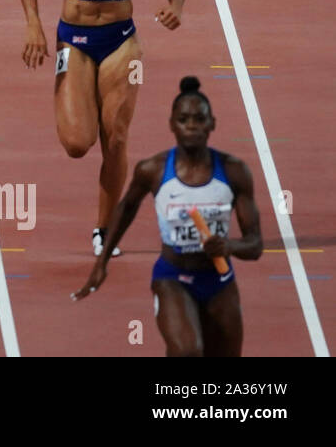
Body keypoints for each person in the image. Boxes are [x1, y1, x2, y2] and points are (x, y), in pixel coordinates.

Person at [19, 0, 185, 255]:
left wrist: (175, 6)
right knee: (78, 143)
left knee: (117, 137)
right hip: (72, 40)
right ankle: (76, 94)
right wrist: (33, 25)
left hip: (122, 41)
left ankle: (104, 230)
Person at [73, 77, 261, 357]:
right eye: (184, 119)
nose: (192, 126)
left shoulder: (234, 173)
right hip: (173, 277)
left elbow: (255, 245)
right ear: (172, 124)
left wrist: (229, 246)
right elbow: (125, 209)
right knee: (187, 351)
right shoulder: (154, 170)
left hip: (219, 280)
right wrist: (101, 263)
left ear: (212, 124)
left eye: (200, 119)